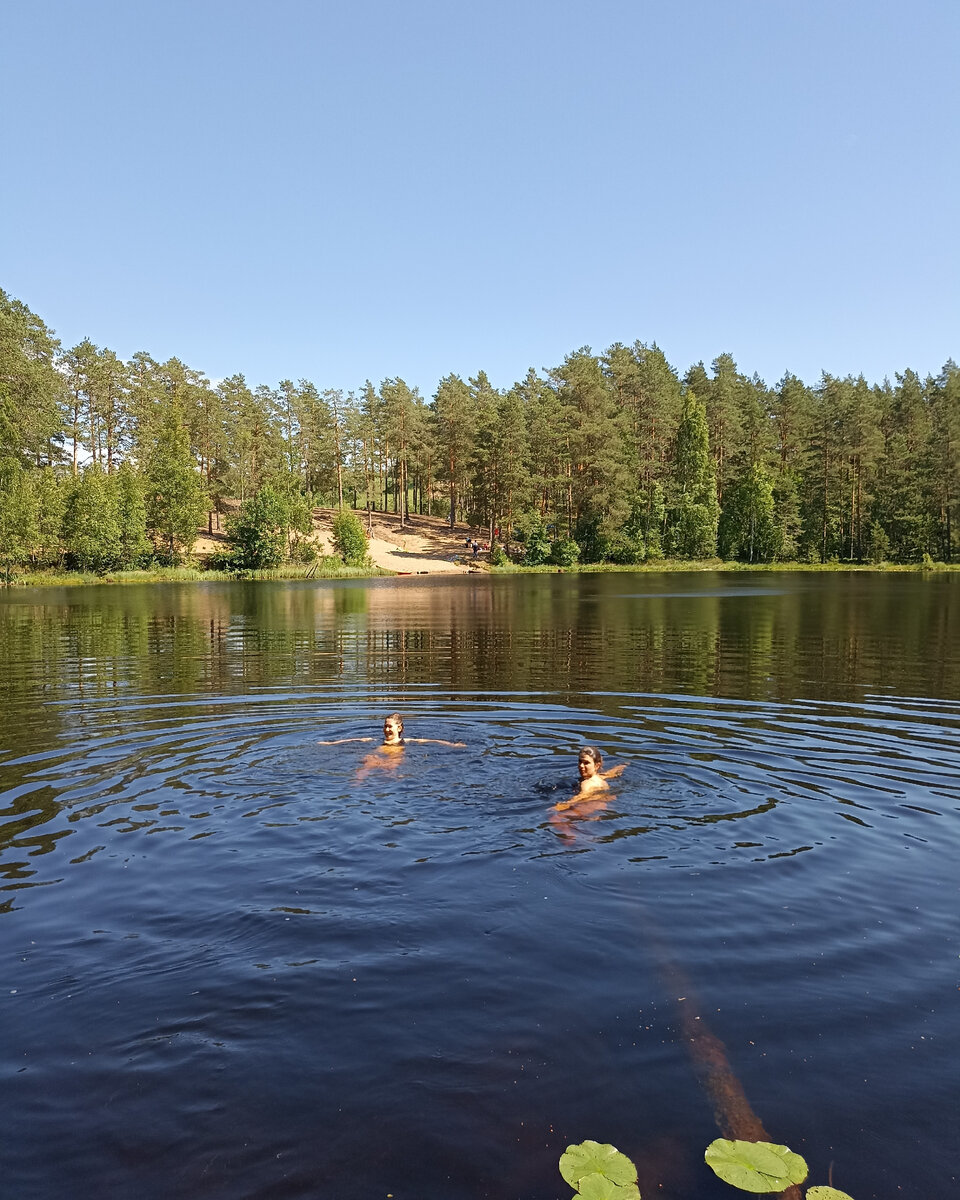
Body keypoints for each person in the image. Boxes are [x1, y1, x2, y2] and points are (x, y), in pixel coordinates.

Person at [319, 713, 465, 777]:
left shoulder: (405, 741)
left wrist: (452, 745)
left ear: (399, 728)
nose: (386, 729)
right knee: (365, 766)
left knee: (390, 769)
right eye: (385, 726)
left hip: (394, 757)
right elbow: (352, 740)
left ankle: (387, 782)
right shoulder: (375, 740)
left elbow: (430, 741)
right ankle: (358, 784)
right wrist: (331, 743)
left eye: (390, 726)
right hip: (376, 755)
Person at [553, 746, 625, 811]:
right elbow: (610, 774)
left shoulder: (586, 783)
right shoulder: (599, 777)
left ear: (597, 765)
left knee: (554, 817)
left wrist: (561, 806)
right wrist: (623, 765)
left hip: (591, 807)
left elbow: (582, 796)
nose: (581, 765)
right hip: (606, 804)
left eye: (586, 763)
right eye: (580, 761)